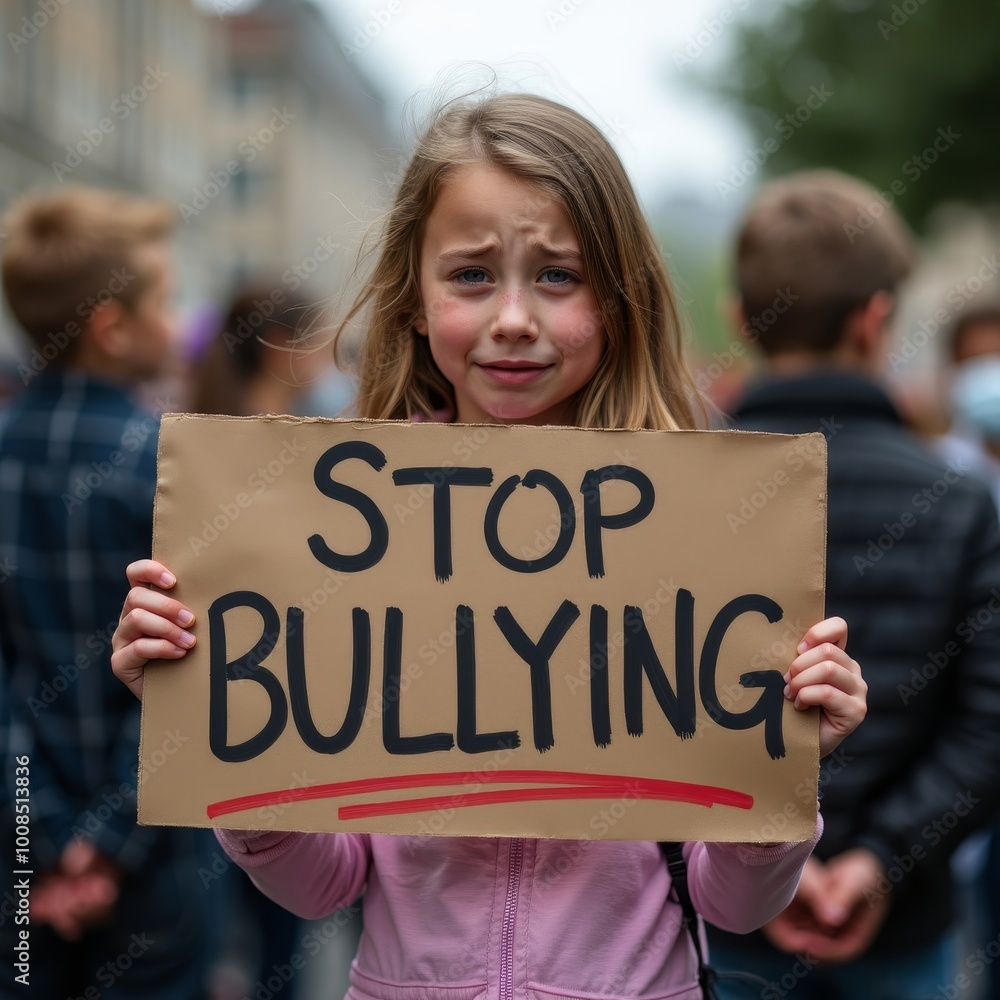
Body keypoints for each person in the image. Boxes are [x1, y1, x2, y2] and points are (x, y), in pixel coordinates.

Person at [109, 94, 867, 1000]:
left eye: (558, 276)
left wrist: (780, 770)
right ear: (417, 301)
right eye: (471, 276)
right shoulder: (341, 537)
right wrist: (217, 711)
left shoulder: (704, 535)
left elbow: (734, 907)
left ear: (619, 300)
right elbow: (322, 886)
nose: (513, 317)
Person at [705, 170, 1000, 1000]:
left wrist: (769, 867)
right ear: (878, 320)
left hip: (729, 921)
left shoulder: (677, 495)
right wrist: (880, 859)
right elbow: (988, 719)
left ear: (740, 319)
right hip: (903, 919)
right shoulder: (961, 498)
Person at [0, 186, 212, 998]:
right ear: (111, 327)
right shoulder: (171, 465)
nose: (179, 316)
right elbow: (186, 677)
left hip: (23, 858)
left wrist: (48, 838)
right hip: (156, 853)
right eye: (165, 298)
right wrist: (106, 844)